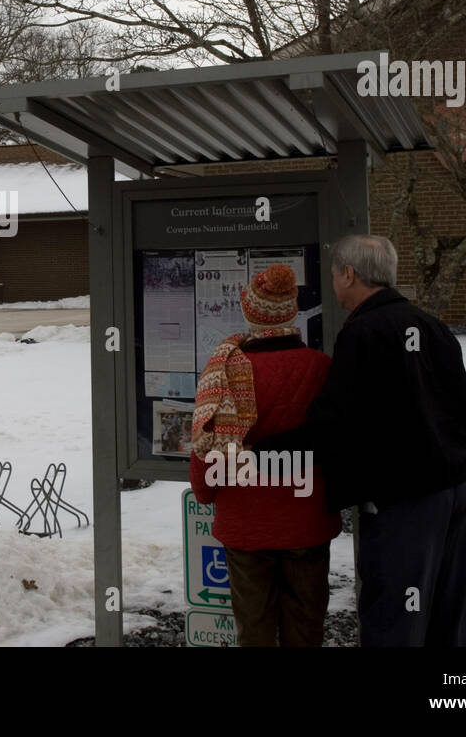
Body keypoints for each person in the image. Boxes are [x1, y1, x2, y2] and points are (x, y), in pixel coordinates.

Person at [253, 235, 466, 647]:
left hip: (405, 503)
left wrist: (261, 451)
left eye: (335, 274)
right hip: (459, 494)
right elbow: (458, 411)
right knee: (446, 614)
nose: (334, 283)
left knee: (395, 619)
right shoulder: (432, 326)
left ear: (349, 274)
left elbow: (335, 423)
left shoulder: (365, 333)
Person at [189, 263, 339, 646]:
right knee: (306, 626)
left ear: (250, 313)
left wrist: (206, 493)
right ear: (291, 312)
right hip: (308, 519)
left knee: (253, 628)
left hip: (245, 522)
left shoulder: (222, 370)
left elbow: (206, 449)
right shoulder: (323, 369)